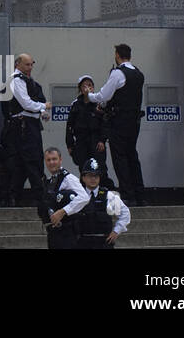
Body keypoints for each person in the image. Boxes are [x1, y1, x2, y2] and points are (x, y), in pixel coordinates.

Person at [85, 44, 146, 206]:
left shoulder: (118, 73)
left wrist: (89, 96)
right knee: (132, 156)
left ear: (117, 55)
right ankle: (140, 193)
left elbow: (104, 95)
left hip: (119, 120)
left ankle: (128, 194)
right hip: (135, 121)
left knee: (120, 158)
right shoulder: (139, 74)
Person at [1, 53, 52, 206]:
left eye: (31, 64)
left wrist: (42, 113)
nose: (30, 68)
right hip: (22, 127)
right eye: (27, 64)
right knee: (32, 161)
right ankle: (39, 197)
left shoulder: (31, 83)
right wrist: (44, 106)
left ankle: (14, 196)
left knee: (24, 164)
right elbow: (26, 103)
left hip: (30, 125)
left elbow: (34, 102)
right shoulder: (16, 80)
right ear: (18, 64)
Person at [51, 157, 130, 249]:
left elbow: (125, 213)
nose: (93, 179)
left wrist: (116, 231)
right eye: (90, 175)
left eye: (96, 176)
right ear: (83, 178)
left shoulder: (108, 196)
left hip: (103, 243)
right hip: (82, 243)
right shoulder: (76, 196)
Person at [66, 74, 111, 185]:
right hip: (81, 140)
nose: (87, 87)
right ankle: (85, 195)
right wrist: (70, 145)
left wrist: (102, 140)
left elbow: (104, 123)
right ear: (80, 88)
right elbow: (69, 126)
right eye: (85, 85)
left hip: (96, 140)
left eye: (90, 85)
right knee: (83, 168)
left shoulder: (99, 103)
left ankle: (103, 192)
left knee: (100, 168)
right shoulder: (75, 105)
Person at [38, 147, 84, 250]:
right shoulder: (49, 181)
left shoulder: (68, 178)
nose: (51, 162)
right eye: (48, 160)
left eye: (54, 159)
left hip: (67, 232)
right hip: (53, 232)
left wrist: (63, 211)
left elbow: (84, 198)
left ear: (60, 160)